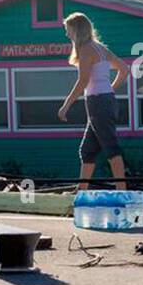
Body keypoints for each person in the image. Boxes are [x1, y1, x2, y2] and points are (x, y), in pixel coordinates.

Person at [57, 12, 129, 189]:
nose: (67, 34)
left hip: (98, 103)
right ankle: (81, 191)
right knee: (87, 150)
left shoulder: (86, 49)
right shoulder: (100, 48)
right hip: (104, 101)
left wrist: (66, 105)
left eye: (68, 30)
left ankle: (122, 191)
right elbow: (124, 69)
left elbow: (83, 81)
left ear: (77, 29)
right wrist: (110, 89)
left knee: (111, 147)